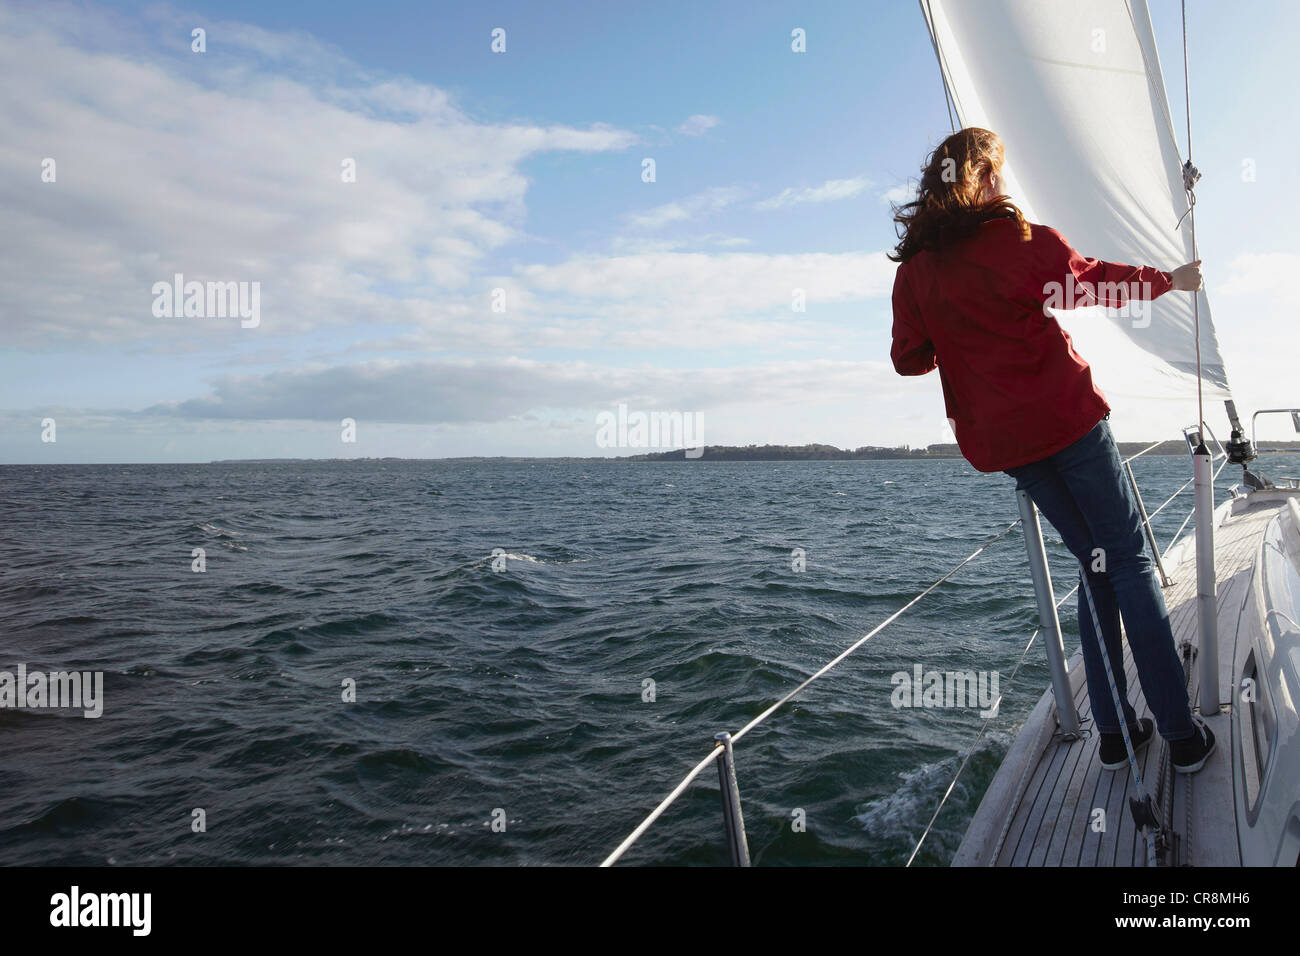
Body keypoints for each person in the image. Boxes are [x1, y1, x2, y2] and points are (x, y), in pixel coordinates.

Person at [888, 127, 1215, 773]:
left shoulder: (916, 273)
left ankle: (1119, 737)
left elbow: (909, 361)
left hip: (1010, 444)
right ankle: (1180, 736)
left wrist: (956, 335)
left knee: (1094, 566)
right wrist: (1170, 281)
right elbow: (1092, 284)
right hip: (1069, 423)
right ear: (983, 177)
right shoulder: (1021, 242)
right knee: (1126, 562)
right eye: (997, 172)